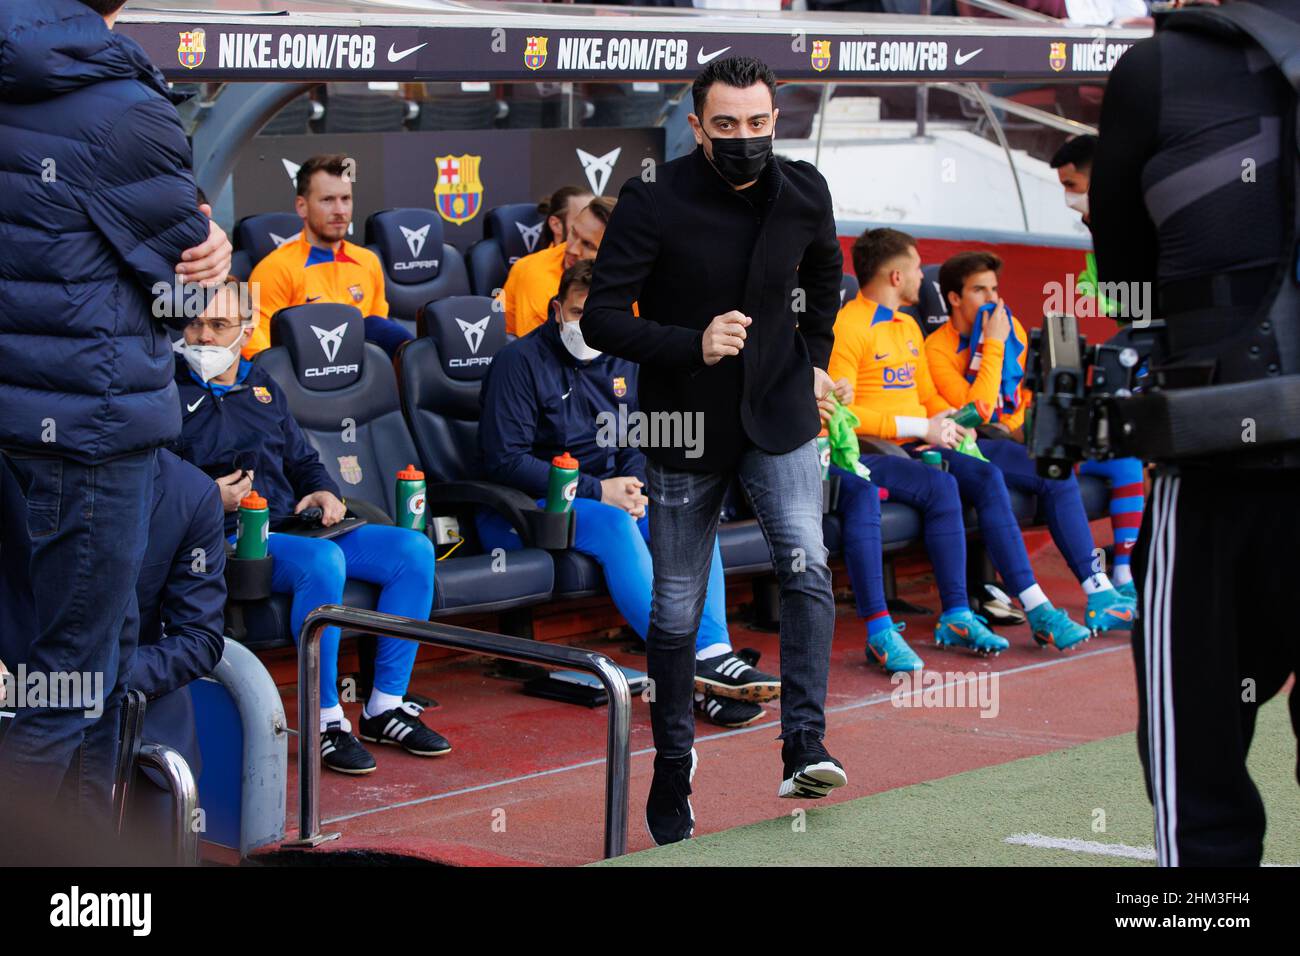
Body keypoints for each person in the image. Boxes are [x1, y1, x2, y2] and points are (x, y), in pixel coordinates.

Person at [583, 55, 848, 845]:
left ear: (777, 119)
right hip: (682, 424)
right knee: (673, 607)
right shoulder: (652, 198)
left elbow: (827, 276)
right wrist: (690, 344)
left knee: (806, 560)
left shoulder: (806, 188)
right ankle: (673, 762)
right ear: (697, 125)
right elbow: (601, 318)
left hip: (780, 410)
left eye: (758, 123)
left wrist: (821, 358)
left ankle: (803, 742)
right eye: (725, 125)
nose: (744, 138)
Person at [0, 0, 232, 825]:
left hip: (29, 426)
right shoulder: (127, 111)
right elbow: (188, 291)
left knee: (57, 673)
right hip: (87, 433)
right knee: (71, 686)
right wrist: (220, 255)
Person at [1092, 0, 1300, 866]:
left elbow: (1127, 277)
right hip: (1219, 456)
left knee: (1197, 769)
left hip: (1220, 456)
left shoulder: (1159, 69)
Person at [478, 261, 781, 727]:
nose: (588, 325)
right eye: (579, 312)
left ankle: (714, 655)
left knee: (689, 509)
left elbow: (641, 434)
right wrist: (602, 491)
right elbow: (506, 461)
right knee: (616, 524)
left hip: (611, 495)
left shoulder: (624, 357)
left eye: (599, 314)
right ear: (557, 309)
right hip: (530, 508)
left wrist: (634, 485)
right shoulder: (518, 361)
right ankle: (695, 668)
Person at [173, 281, 448, 775]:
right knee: (324, 561)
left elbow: (302, 458)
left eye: (219, 325)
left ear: (247, 328)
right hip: (224, 534)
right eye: (194, 323)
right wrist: (206, 497)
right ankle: (325, 721)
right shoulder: (164, 389)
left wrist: (324, 491)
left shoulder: (261, 384)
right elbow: (150, 480)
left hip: (291, 523)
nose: (204, 337)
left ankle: (385, 706)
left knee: (412, 551)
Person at [829, 229, 1108, 660]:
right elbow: (842, 415)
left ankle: (1030, 607)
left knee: (986, 473)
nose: (926, 279)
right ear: (897, 276)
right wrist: (921, 426)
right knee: (943, 487)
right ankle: (954, 613)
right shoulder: (847, 326)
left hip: (919, 443)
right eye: (920, 268)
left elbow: (926, 398)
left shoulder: (907, 325)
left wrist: (952, 422)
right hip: (871, 451)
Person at [1, 449, 226, 861]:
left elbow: (199, 638)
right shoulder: (17, 463)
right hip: (15, 702)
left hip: (137, 723)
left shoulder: (190, 493)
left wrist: (99, 676)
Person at [924, 249, 1138, 632]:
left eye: (995, 289)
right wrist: (992, 343)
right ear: (954, 298)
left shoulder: (1012, 331)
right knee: (1050, 474)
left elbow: (1021, 400)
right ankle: (1093, 591)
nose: (992, 300)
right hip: (967, 444)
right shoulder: (936, 348)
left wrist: (1028, 430)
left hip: (1011, 439)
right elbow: (980, 410)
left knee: (1078, 466)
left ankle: (1107, 583)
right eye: (979, 290)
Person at [1051, 133, 1146, 602]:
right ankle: (1122, 572)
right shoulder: (1101, 223)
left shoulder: (1139, 213)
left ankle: (1128, 567)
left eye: (1072, 183)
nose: (1069, 196)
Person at [243, 153, 411, 360]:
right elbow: (258, 350)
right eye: (328, 200)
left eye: (346, 199)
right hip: (301, 383)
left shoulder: (368, 261)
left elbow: (378, 333)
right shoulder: (273, 269)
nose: (340, 210)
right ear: (301, 206)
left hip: (359, 380)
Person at [502, 196, 615, 338]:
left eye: (588, 245)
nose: (572, 249)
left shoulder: (637, 282)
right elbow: (543, 354)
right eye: (573, 233)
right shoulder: (535, 274)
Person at [539, 185, 595, 250]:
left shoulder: (604, 257)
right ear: (556, 225)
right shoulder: (536, 260)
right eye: (583, 220)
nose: (594, 226)